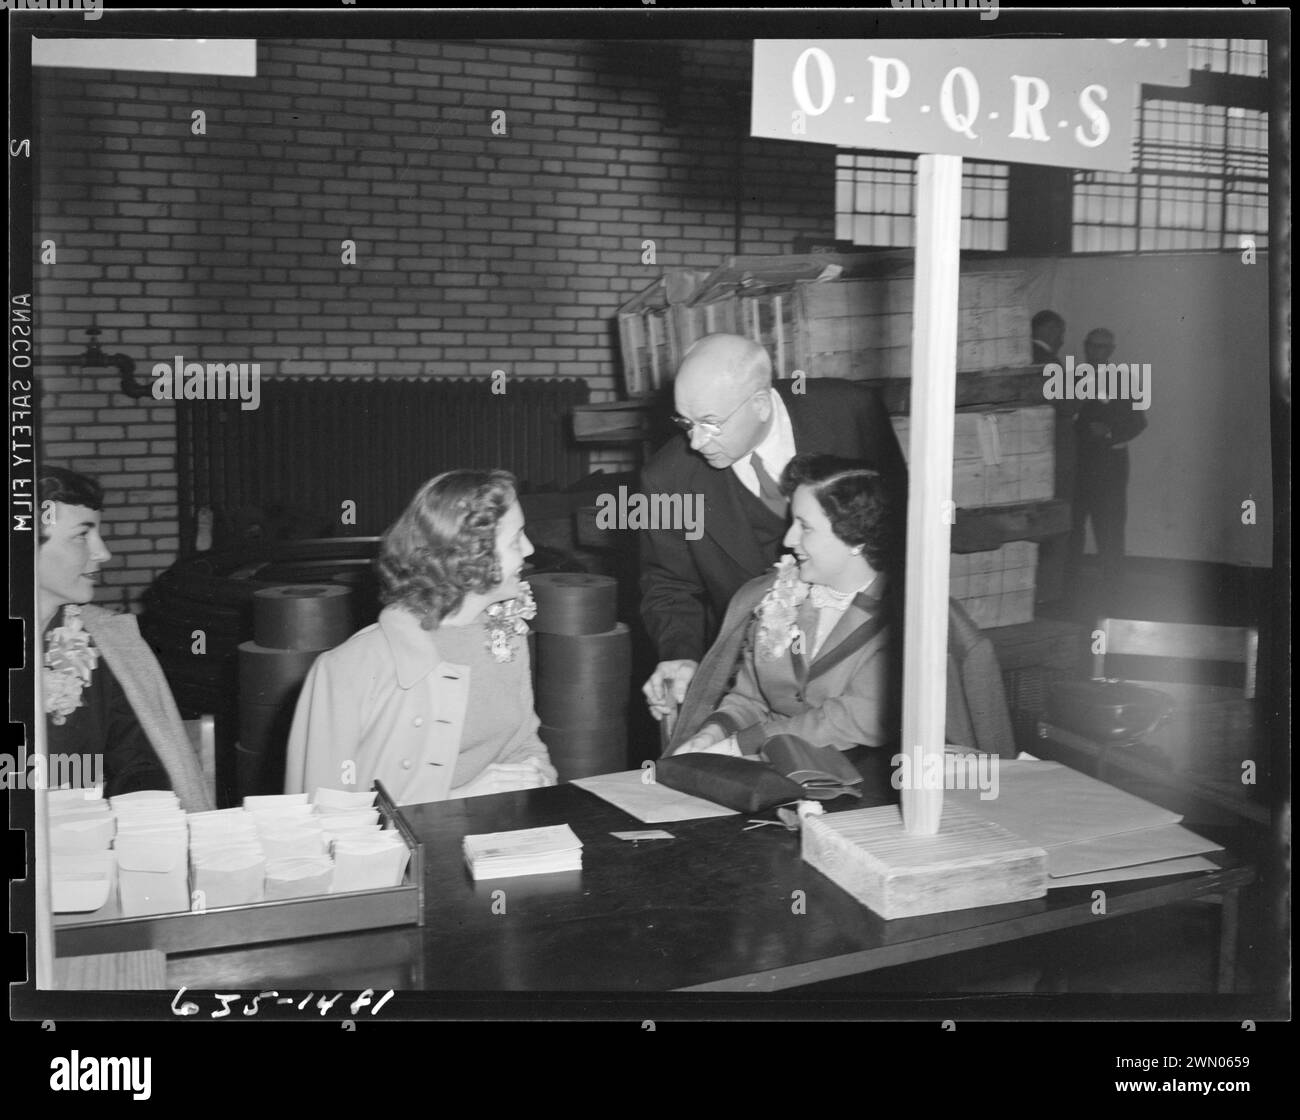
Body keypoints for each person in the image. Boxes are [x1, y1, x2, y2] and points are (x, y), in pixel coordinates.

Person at [640, 333, 906, 723]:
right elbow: (668, 585)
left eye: (710, 424)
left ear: (761, 405)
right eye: (685, 422)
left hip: (868, 661)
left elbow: (900, 520)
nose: (695, 442)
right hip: (751, 684)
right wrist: (681, 654)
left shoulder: (850, 411)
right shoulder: (666, 479)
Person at [284, 469, 558, 805]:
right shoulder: (348, 669)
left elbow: (524, 744)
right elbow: (320, 824)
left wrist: (540, 779)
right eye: (517, 539)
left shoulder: (504, 637)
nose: (529, 549)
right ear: (471, 554)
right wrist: (464, 801)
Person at [666, 455, 899, 757]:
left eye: (805, 527)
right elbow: (751, 699)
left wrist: (740, 745)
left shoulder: (902, 619)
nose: (788, 539)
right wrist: (713, 733)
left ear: (858, 538)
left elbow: (849, 721)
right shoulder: (780, 595)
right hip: (772, 769)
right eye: (792, 523)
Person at [37, 466, 213, 810]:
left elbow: (135, 760)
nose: (103, 552)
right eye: (81, 535)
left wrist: (146, 809)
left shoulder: (106, 644)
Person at [1068, 327, 1148, 590]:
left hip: (1109, 467)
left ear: (1111, 351)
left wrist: (1110, 432)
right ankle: (1069, 584)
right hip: (1077, 464)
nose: (1096, 351)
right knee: (1072, 525)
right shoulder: (1071, 378)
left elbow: (1139, 421)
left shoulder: (1124, 380)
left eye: (1102, 347)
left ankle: (1114, 586)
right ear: (1085, 346)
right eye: (1092, 345)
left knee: (1110, 526)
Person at [1032, 309, 1072, 606]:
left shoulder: (1023, 356)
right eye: (1059, 332)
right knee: (1055, 524)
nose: (1062, 339)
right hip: (1055, 458)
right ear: (1047, 330)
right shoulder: (1051, 364)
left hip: (1031, 459)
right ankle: (1050, 596)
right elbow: (1068, 406)